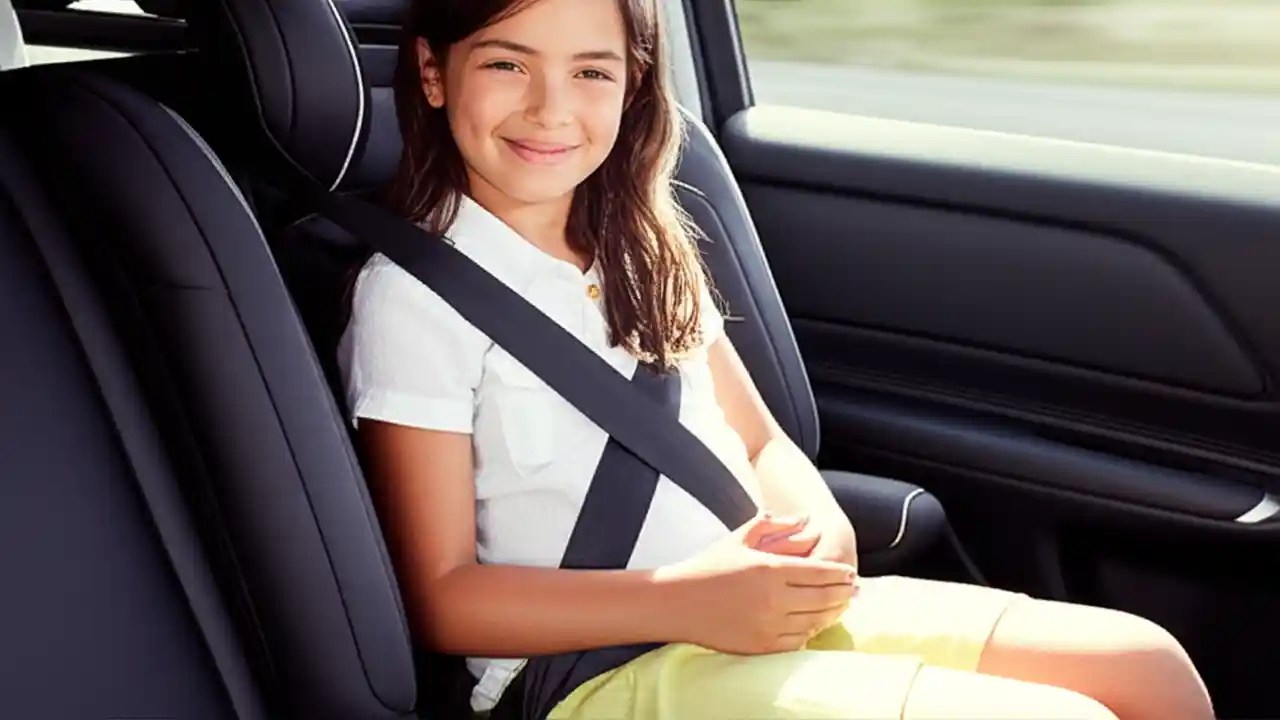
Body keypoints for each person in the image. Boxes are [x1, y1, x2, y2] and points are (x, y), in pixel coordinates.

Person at [337, 0, 1215, 717]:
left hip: (755, 612)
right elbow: (444, 596)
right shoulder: (413, 298)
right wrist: (687, 600)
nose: (550, 108)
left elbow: (759, 442)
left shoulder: (645, 245)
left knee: (1146, 667)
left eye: (591, 72)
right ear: (432, 73)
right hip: (595, 674)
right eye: (507, 64)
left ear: (633, 84)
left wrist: (822, 527)